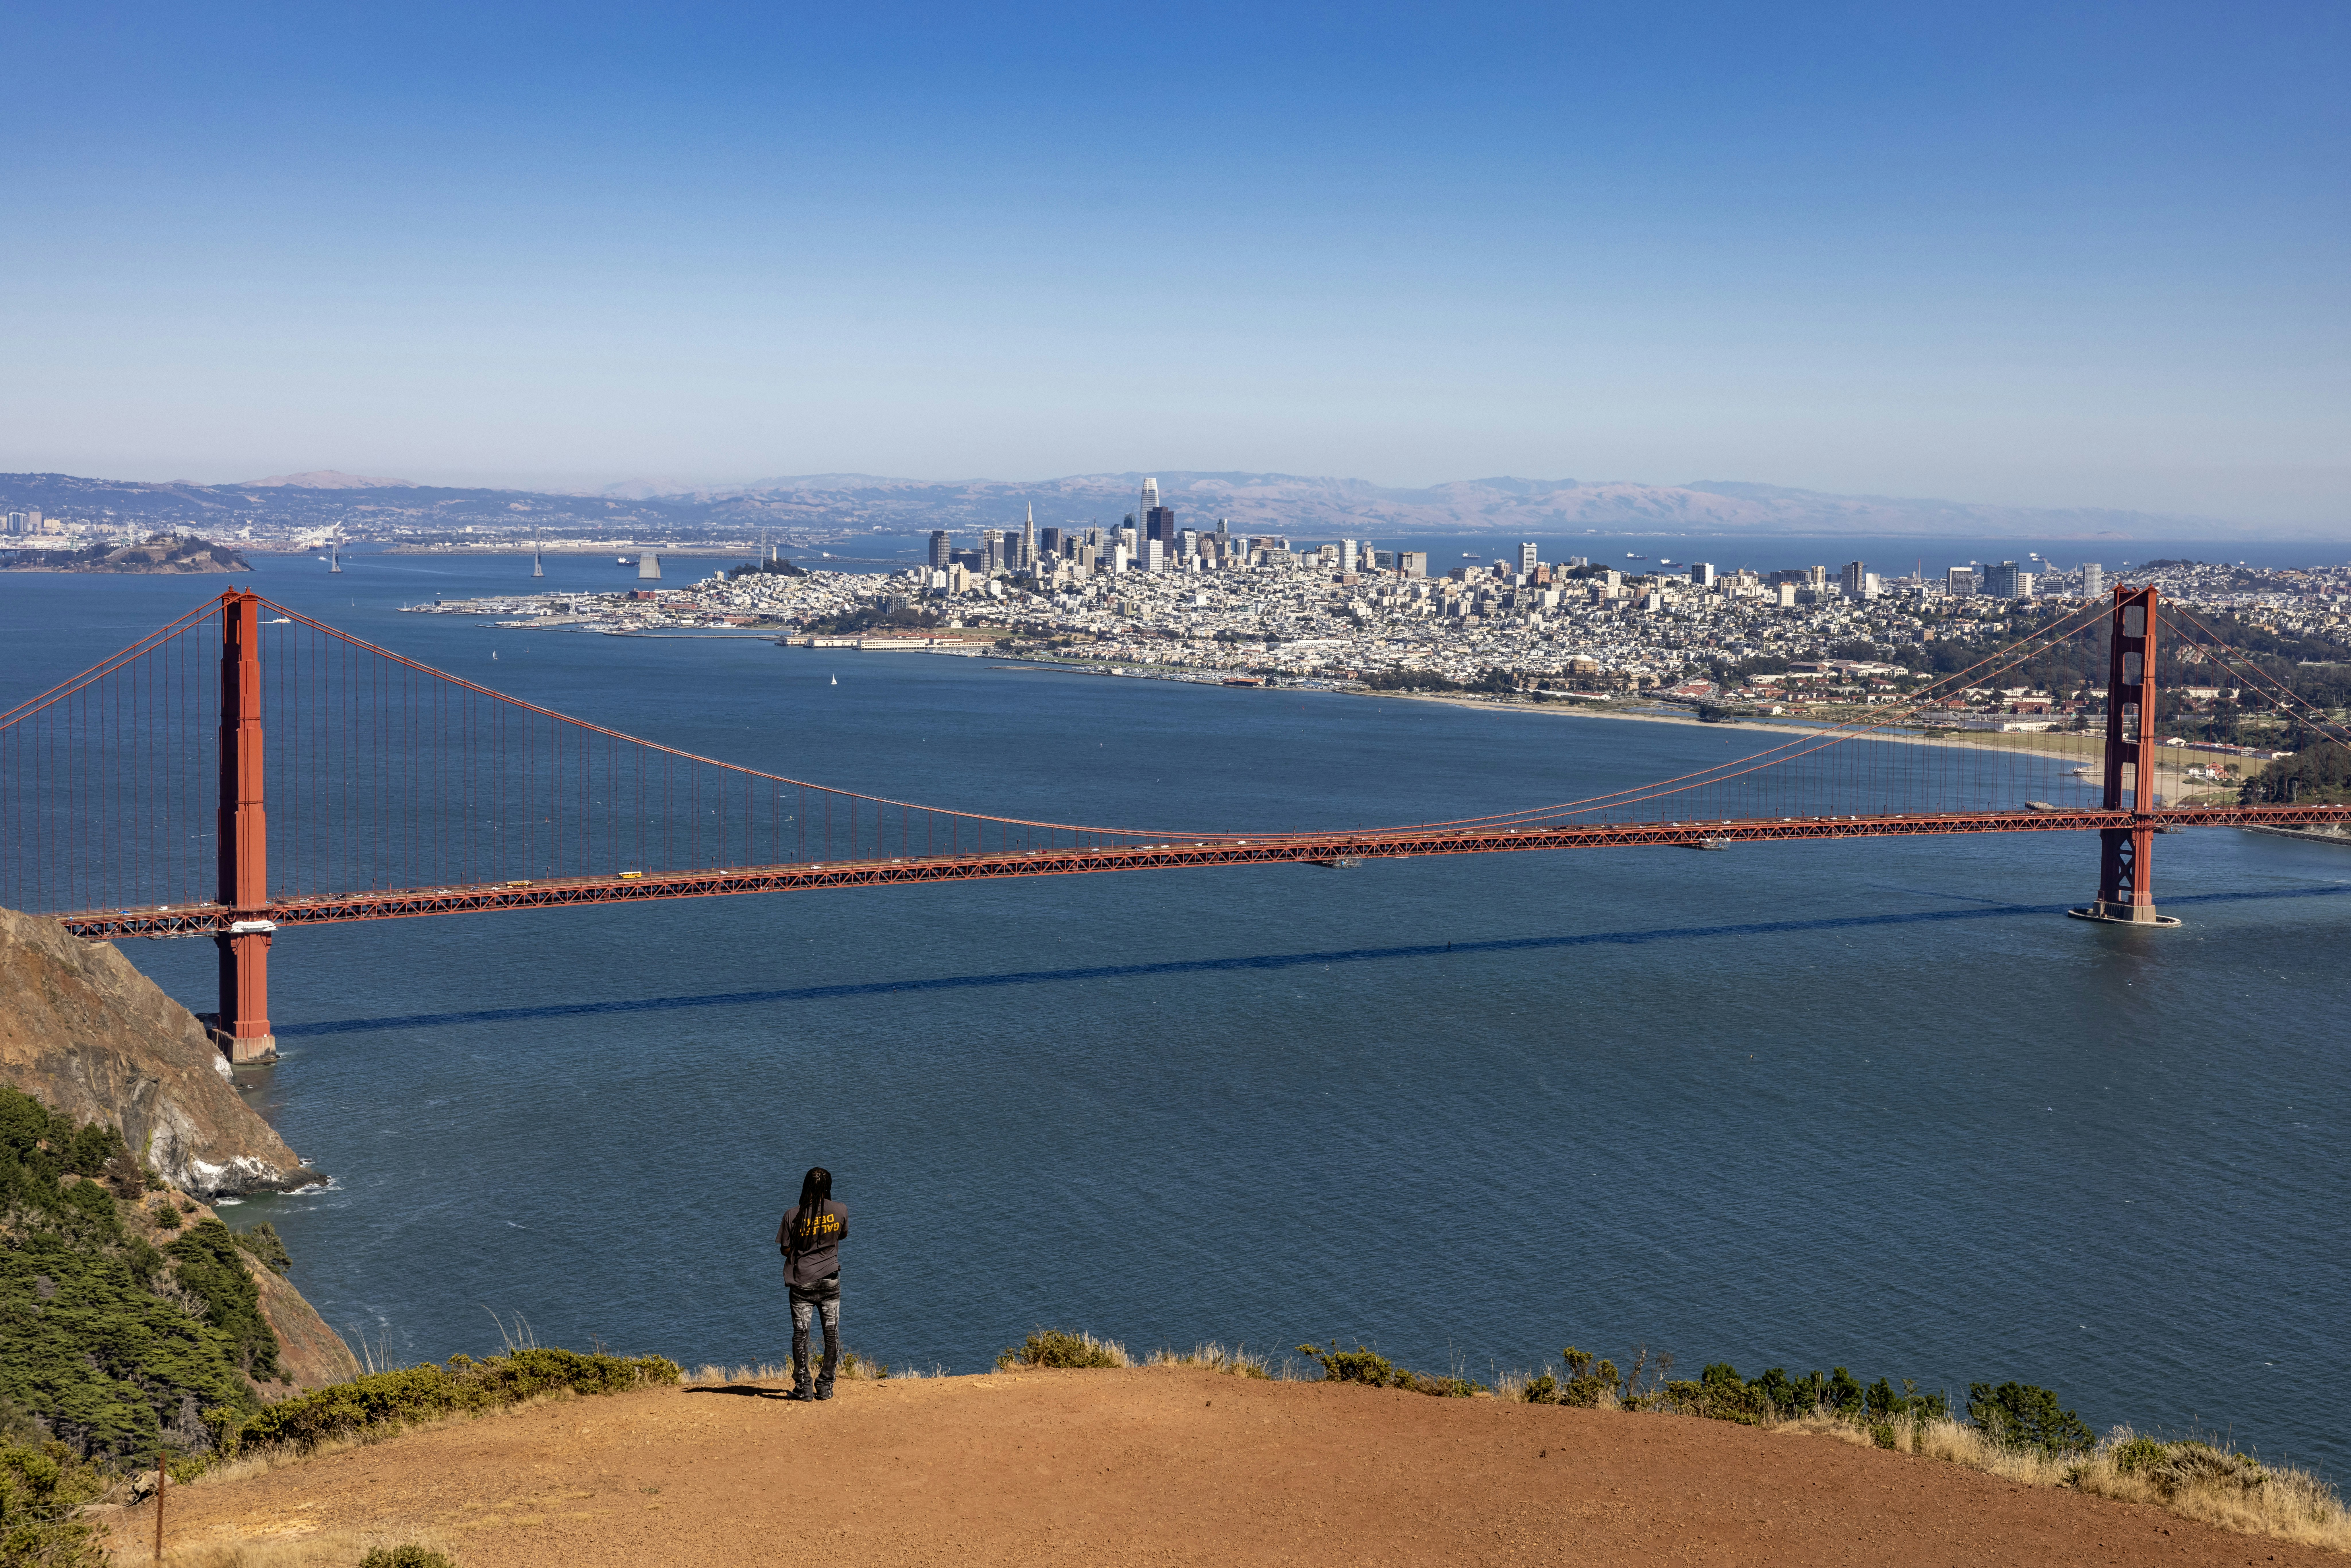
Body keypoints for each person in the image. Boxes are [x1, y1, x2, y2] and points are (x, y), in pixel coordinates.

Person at [776, 1165, 847, 1400]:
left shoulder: (792, 1215)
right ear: (828, 1187)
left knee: (801, 1335)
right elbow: (842, 1234)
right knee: (832, 1334)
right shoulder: (840, 1209)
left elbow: (785, 1250)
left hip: (802, 1283)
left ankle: (803, 1387)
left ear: (806, 1186)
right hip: (830, 1281)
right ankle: (826, 1385)